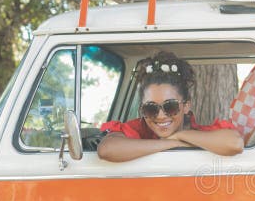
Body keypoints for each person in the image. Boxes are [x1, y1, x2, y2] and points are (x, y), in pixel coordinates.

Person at [97, 51, 244, 162]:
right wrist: (172, 143)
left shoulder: (199, 133)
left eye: (170, 106)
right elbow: (107, 149)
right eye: (151, 108)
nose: (160, 116)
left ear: (186, 106)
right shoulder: (138, 130)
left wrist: (181, 135)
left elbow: (234, 143)